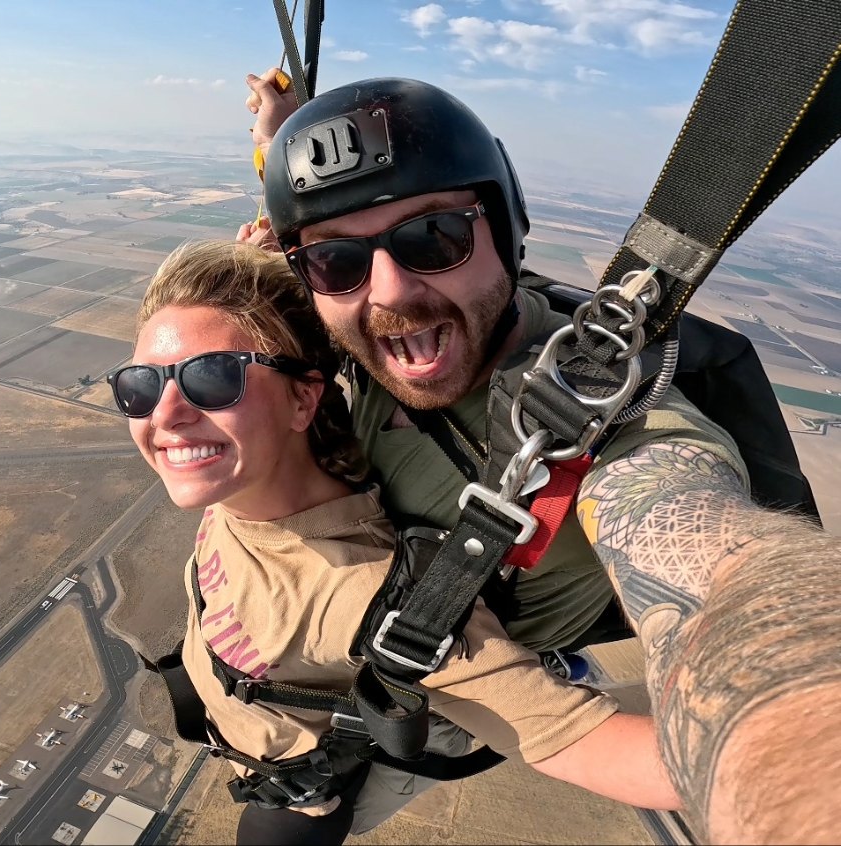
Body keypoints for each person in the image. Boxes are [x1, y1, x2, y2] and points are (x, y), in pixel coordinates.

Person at [242, 71, 841, 844]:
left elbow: (714, 559)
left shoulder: (619, 423)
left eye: (434, 238)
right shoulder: (344, 329)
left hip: (449, 696)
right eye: (336, 264)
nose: (388, 291)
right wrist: (278, 140)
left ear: (504, 226)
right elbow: (284, 242)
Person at [113, 240, 679, 845]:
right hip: (240, 715)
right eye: (140, 385)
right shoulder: (240, 477)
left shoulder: (367, 597)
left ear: (303, 398)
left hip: (301, 792)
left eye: (212, 378)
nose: (165, 413)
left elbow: (599, 750)